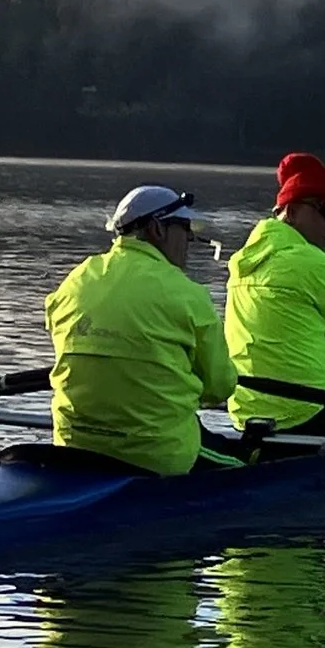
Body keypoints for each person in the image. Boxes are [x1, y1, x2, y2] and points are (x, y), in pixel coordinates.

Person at [43, 185, 239, 475]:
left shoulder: (75, 280)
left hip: (74, 444)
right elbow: (220, 387)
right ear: (157, 229)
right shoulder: (187, 294)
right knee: (245, 465)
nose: (190, 238)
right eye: (184, 228)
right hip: (157, 455)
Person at [225, 152, 325, 432]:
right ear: (294, 210)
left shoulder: (242, 263)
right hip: (310, 408)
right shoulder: (310, 262)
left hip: (248, 414)